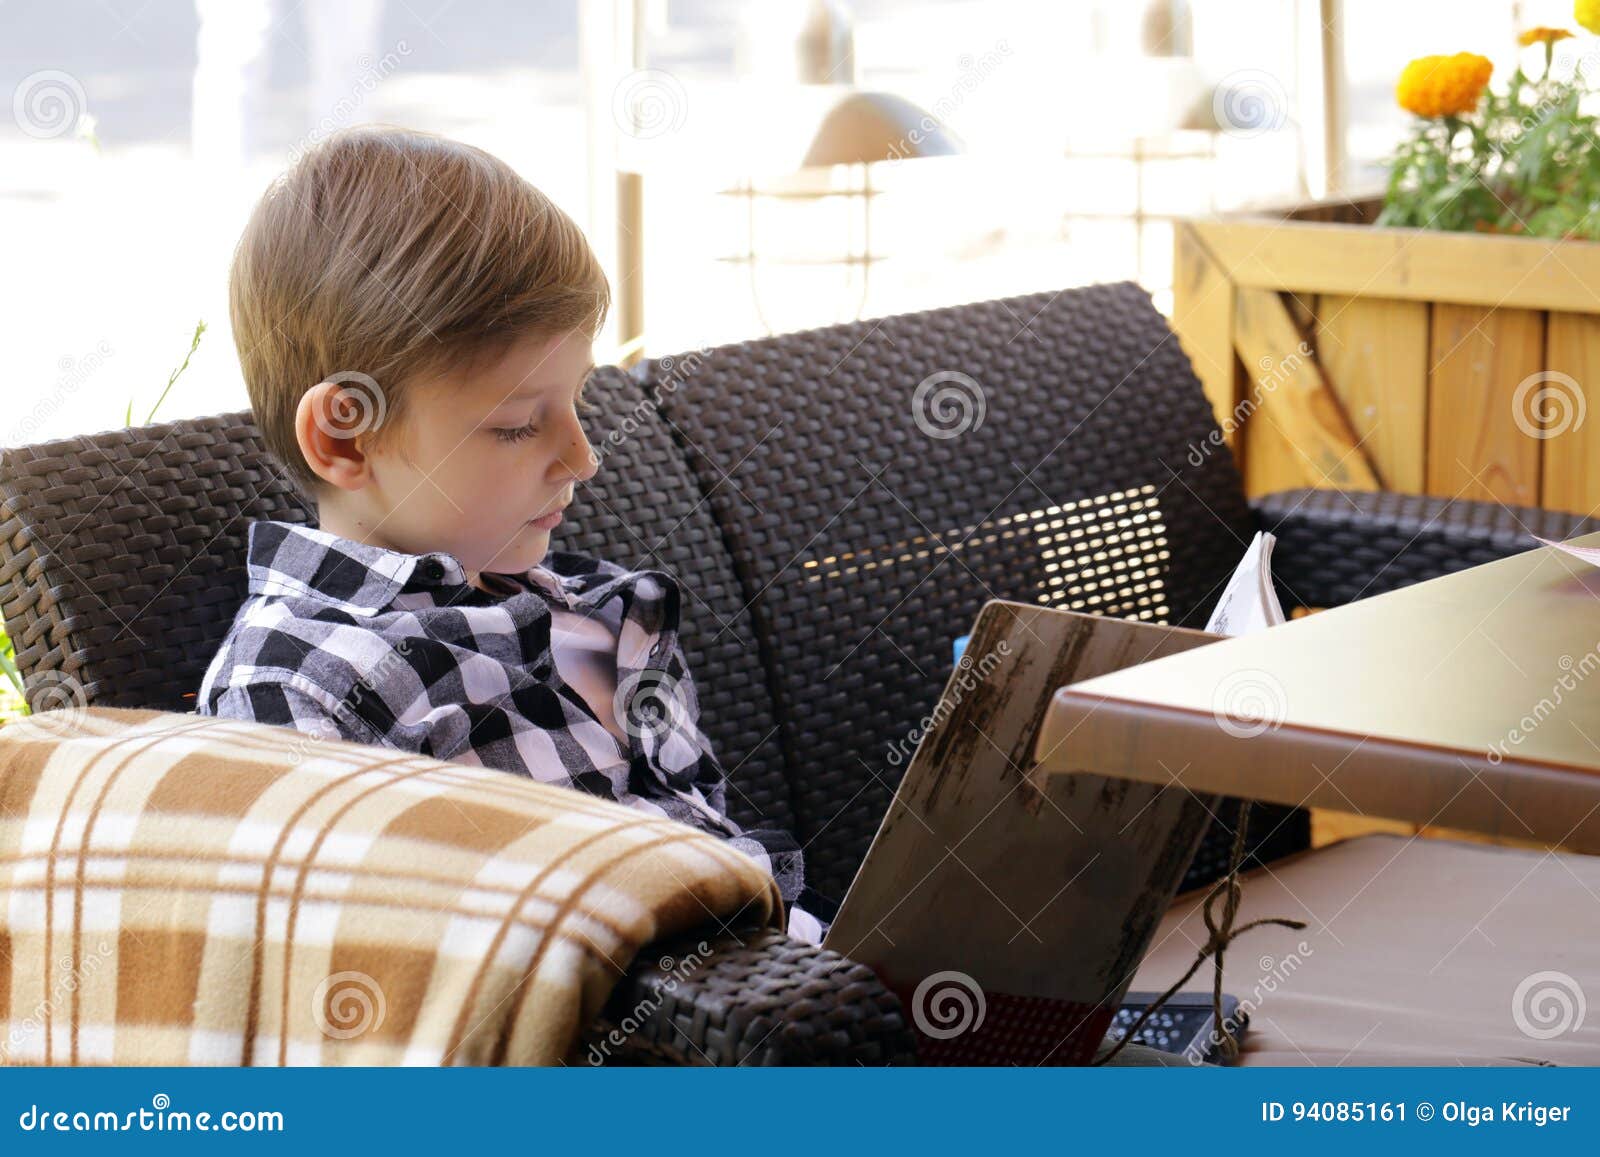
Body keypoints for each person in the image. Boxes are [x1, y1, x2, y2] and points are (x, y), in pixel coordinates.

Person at [196, 125, 823, 942]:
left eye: (578, 401)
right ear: (347, 437)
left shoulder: (604, 610)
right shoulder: (303, 691)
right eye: (521, 425)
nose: (584, 457)